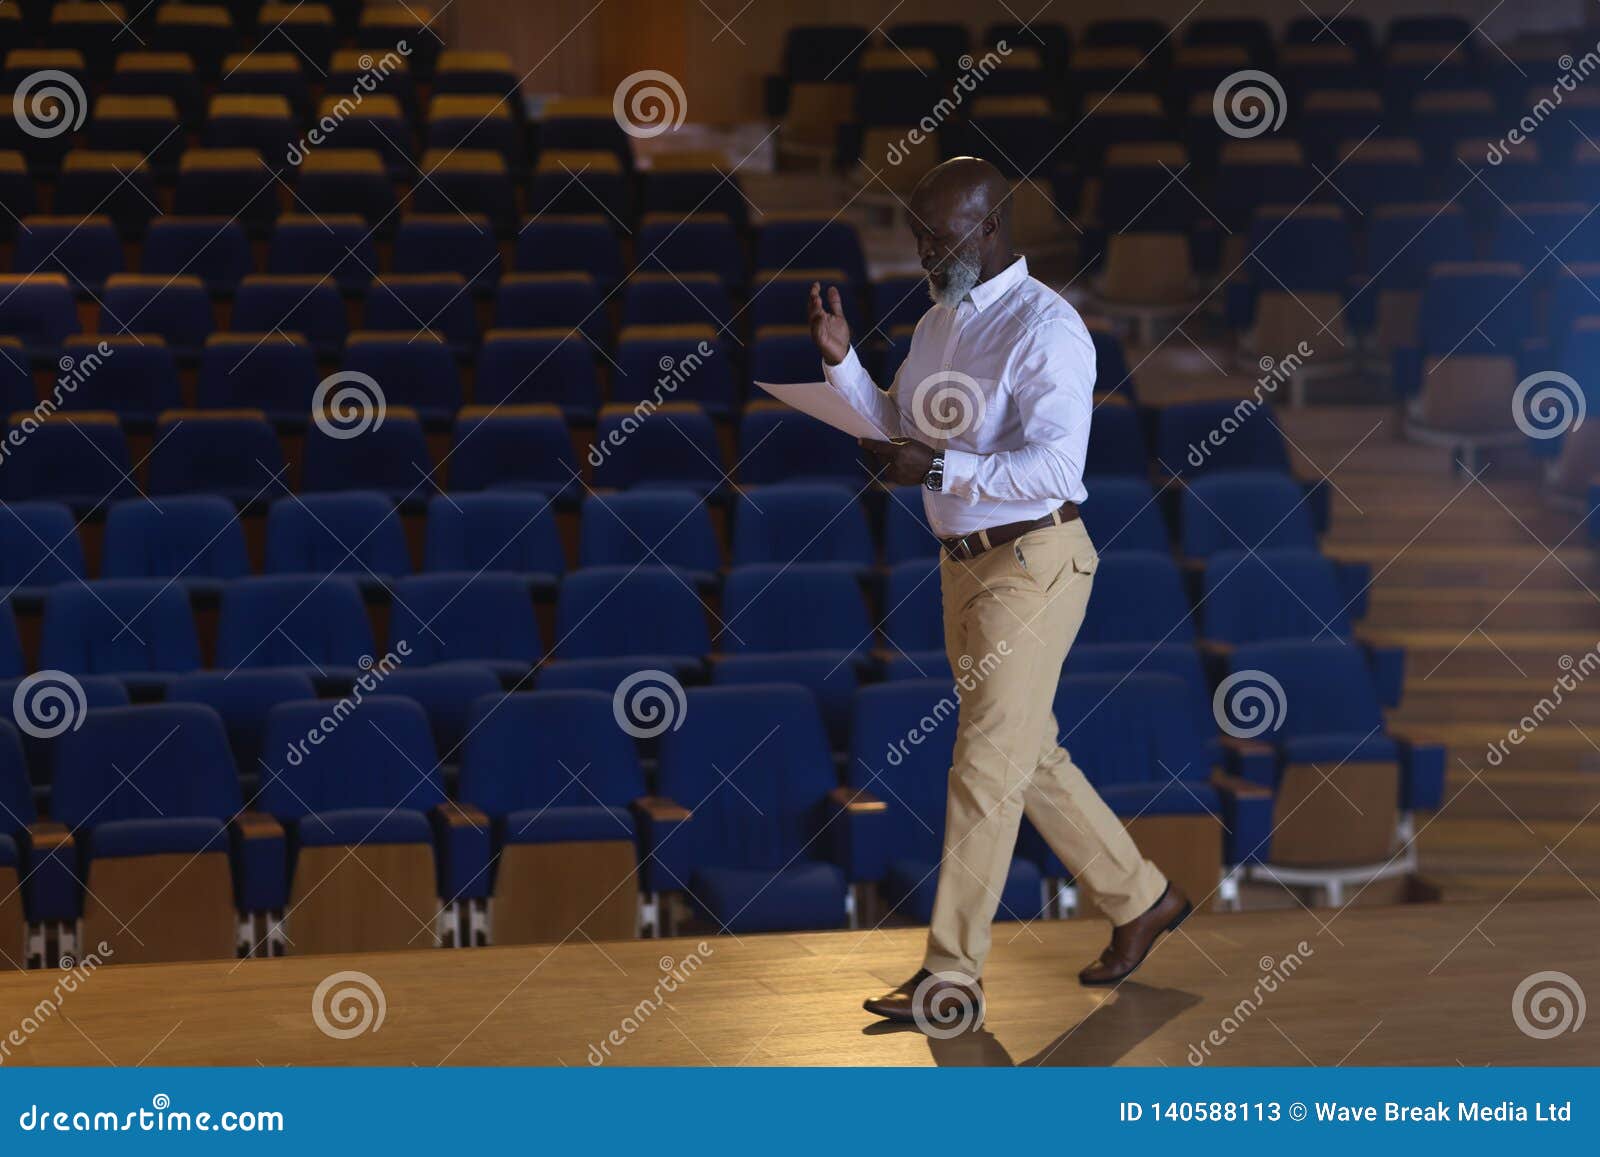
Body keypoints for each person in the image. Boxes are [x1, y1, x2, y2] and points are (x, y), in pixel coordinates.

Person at [805, 157, 1190, 1027]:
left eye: (938, 237)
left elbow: (1056, 466)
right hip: (964, 564)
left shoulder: (1048, 327)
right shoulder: (938, 323)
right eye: (917, 236)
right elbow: (899, 425)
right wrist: (842, 366)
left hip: (1034, 561)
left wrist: (938, 466)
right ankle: (1141, 898)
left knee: (983, 763)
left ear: (989, 228)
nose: (923, 252)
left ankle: (952, 976)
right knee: (1025, 754)